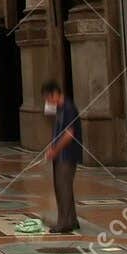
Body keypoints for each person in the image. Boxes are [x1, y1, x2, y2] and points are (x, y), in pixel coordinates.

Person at [42, 80, 81, 233]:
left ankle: (64, 223)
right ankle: (72, 219)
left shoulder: (68, 108)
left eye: (47, 98)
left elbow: (69, 134)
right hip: (61, 154)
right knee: (63, 187)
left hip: (67, 154)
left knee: (63, 188)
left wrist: (55, 150)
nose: (47, 102)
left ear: (54, 94)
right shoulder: (59, 108)